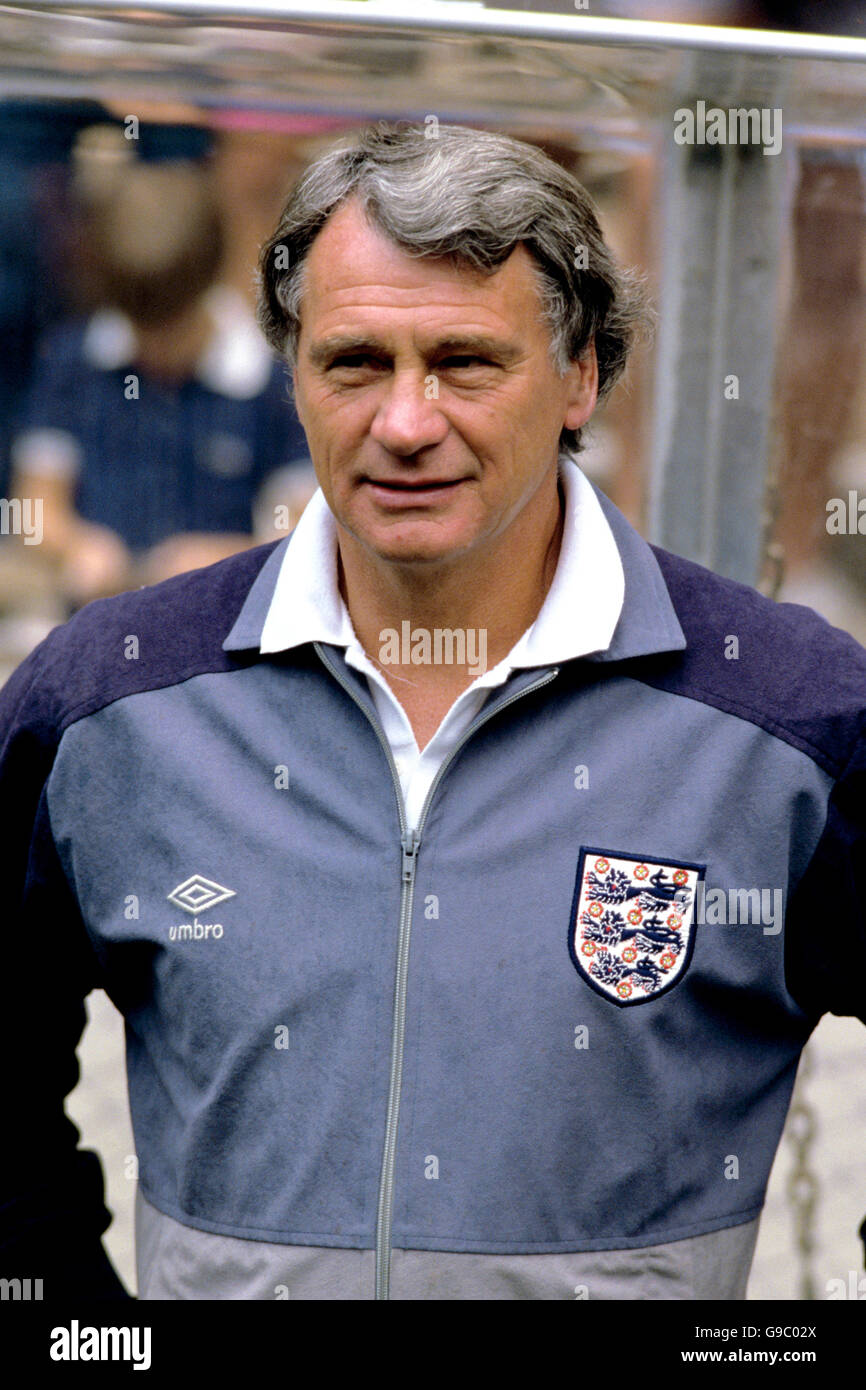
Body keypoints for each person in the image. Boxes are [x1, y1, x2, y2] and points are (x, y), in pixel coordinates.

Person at [0, 122, 863, 1302]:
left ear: (581, 377)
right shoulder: (108, 699)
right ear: (292, 373)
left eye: (464, 361)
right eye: (354, 362)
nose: (404, 424)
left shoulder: (792, 722)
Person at [10, 142, 312, 608]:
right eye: (139, 330)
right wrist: (74, 544)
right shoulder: (75, 360)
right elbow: (33, 507)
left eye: (171, 331)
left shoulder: (270, 380)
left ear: (210, 282)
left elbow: (299, 531)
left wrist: (223, 560)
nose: (154, 351)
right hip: (94, 610)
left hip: (219, 614)